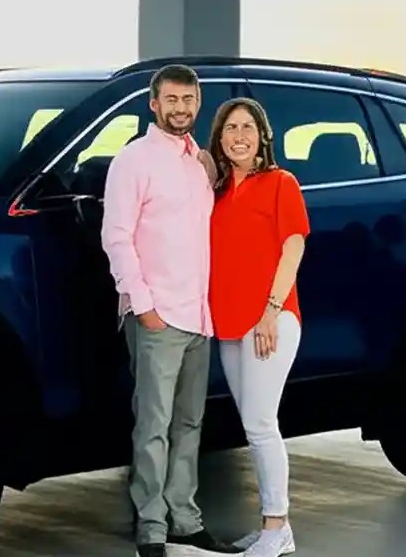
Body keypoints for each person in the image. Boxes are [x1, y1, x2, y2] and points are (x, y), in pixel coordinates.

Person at [101, 64, 237, 557]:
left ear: (198, 105)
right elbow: (115, 236)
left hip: (199, 315)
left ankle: (185, 518)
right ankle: (152, 528)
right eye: (171, 100)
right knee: (153, 426)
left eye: (189, 100)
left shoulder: (200, 162)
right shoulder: (134, 161)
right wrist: (144, 306)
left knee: (190, 424)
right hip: (157, 315)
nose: (180, 108)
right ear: (153, 105)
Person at [205, 97, 309, 557]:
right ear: (220, 139)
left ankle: (277, 527)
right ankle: (270, 525)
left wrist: (269, 311)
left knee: (263, 424)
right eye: (230, 129)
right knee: (252, 425)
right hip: (229, 325)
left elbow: (292, 251)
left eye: (248, 127)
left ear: (262, 135)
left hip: (270, 320)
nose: (239, 136)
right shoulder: (219, 193)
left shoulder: (280, 183)